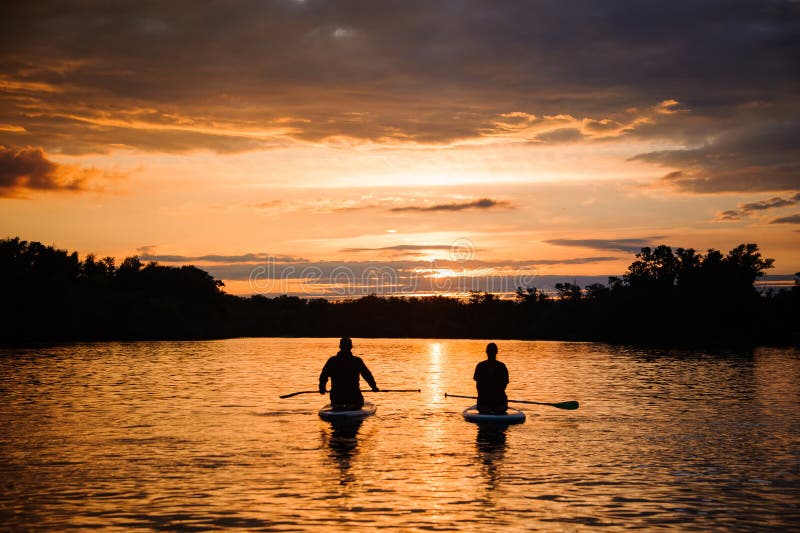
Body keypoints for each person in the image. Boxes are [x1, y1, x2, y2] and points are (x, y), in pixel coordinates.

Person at [319, 337, 379, 410]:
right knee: (357, 400)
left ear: (340, 347)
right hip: (354, 399)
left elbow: (323, 376)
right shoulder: (357, 361)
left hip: (337, 400)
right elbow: (367, 375)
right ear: (351, 347)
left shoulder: (332, 361)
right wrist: (374, 387)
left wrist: (322, 388)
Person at [473, 342, 509, 414]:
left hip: (499, 401)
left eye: (492, 351)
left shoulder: (502, 367)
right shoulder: (480, 366)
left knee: (497, 408)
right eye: (490, 351)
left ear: (496, 352)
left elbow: (504, 385)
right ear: (487, 352)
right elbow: (478, 385)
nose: (491, 353)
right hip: (484, 401)